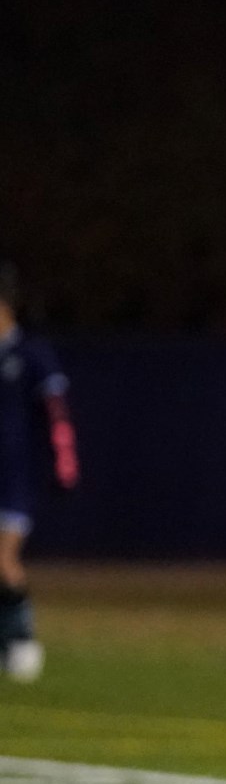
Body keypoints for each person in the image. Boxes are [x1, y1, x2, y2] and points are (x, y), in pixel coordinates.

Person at [0, 263, 78, 683]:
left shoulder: (31, 355)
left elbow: (56, 412)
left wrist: (65, 460)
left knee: (4, 559)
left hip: (14, 477)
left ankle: (22, 638)